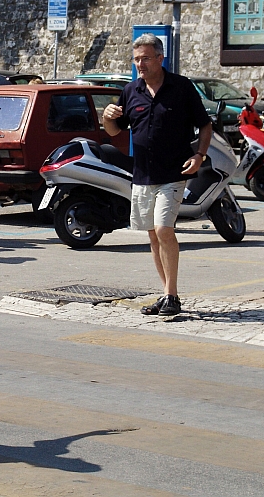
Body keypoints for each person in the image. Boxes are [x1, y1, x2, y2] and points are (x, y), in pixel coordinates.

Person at [103, 33, 212, 317]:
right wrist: (107, 117)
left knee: (164, 230)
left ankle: (172, 295)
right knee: (153, 236)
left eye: (146, 58)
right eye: (136, 59)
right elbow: (115, 130)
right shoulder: (131, 91)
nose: (140, 64)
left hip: (174, 172)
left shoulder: (181, 87)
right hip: (142, 174)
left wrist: (199, 155)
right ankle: (166, 294)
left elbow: (205, 125)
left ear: (160, 58)